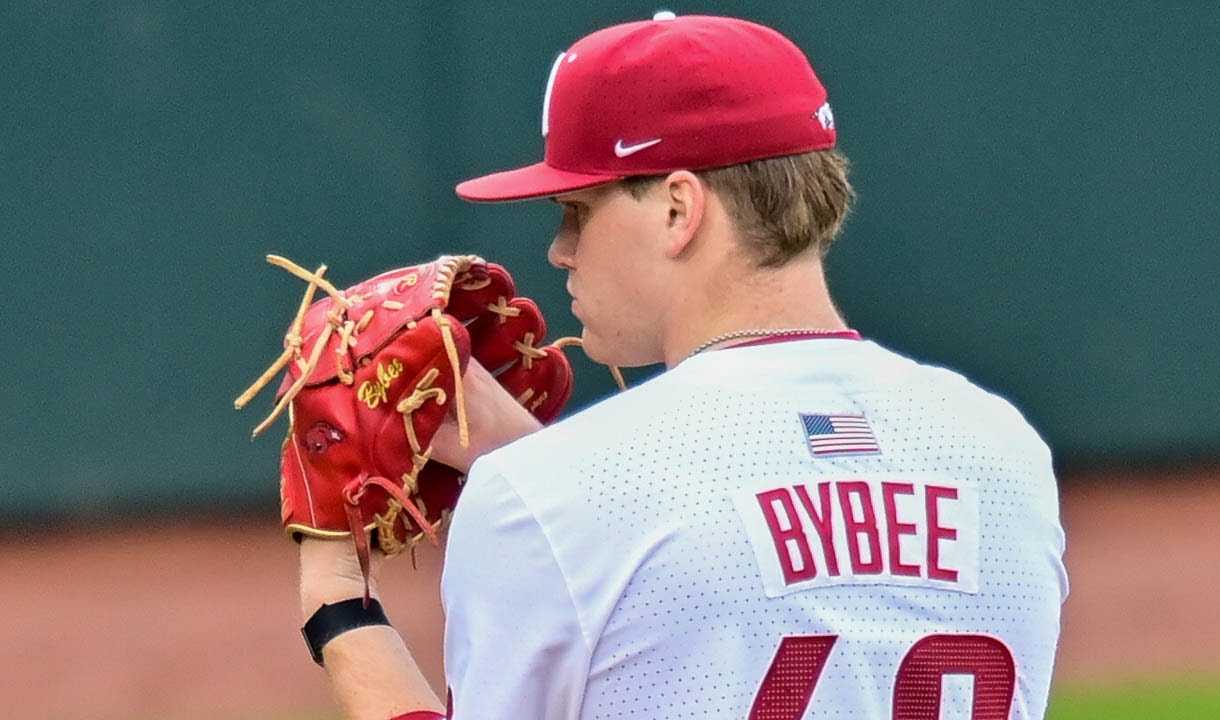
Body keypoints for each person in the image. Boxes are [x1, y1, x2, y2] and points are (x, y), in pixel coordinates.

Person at [297, 12, 1068, 720]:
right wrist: (524, 460)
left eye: (578, 211)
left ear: (677, 208)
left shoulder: (548, 498)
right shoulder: (1003, 451)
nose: (559, 250)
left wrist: (337, 602)